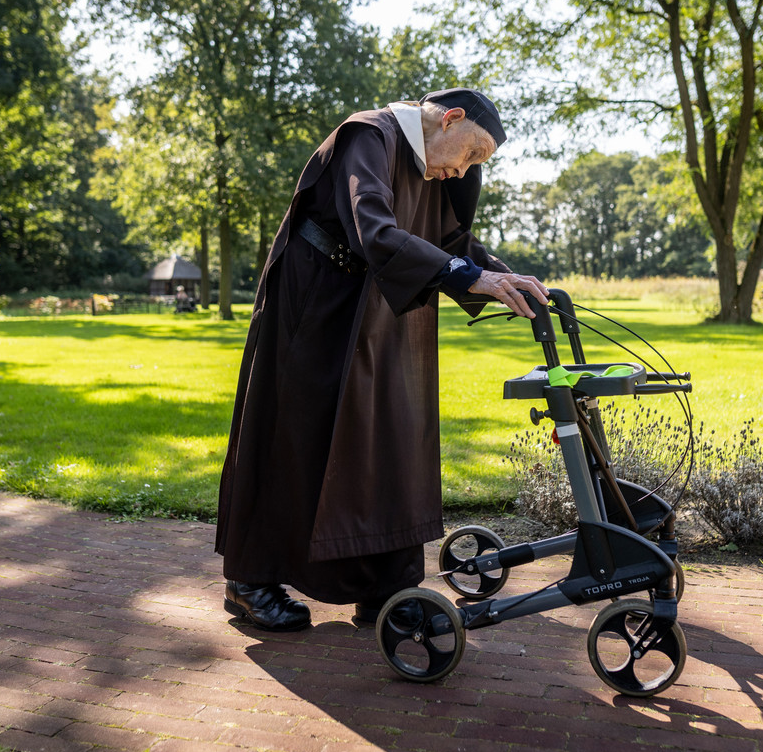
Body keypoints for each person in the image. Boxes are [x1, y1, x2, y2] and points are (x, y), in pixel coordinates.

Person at [215, 88, 549, 631]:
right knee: (295, 439)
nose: (464, 172)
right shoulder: (368, 135)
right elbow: (374, 229)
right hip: (314, 307)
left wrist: (502, 278)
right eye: (470, 155)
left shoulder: (434, 168)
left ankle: (385, 589)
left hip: (377, 309)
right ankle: (251, 580)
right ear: (450, 120)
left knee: (387, 441)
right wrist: (471, 277)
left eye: (475, 165)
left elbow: (452, 244)